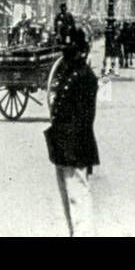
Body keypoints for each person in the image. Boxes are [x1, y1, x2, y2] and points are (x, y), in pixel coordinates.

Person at [45, 25, 98, 237]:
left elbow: (85, 118)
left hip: (74, 145)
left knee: (78, 195)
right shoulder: (69, 73)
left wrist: (70, 144)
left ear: (81, 51)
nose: (66, 53)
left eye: (71, 49)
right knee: (67, 196)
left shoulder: (85, 76)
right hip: (62, 143)